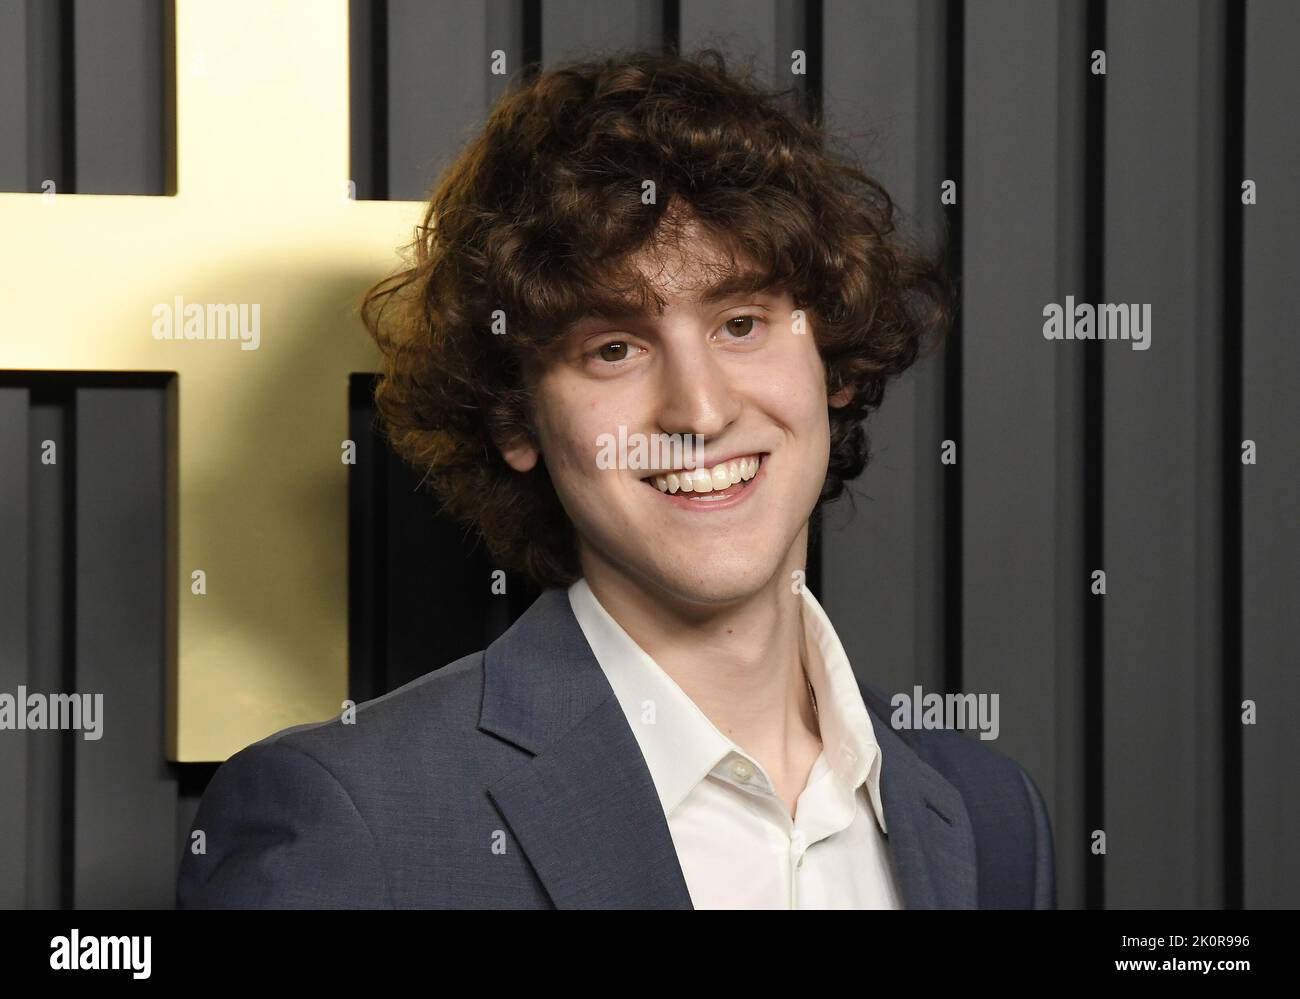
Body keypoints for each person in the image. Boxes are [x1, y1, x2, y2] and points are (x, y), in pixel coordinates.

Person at [177, 48, 1055, 909]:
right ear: (516, 419)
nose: (699, 411)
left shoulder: (987, 812)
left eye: (741, 323)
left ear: (831, 362)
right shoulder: (355, 821)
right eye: (614, 348)